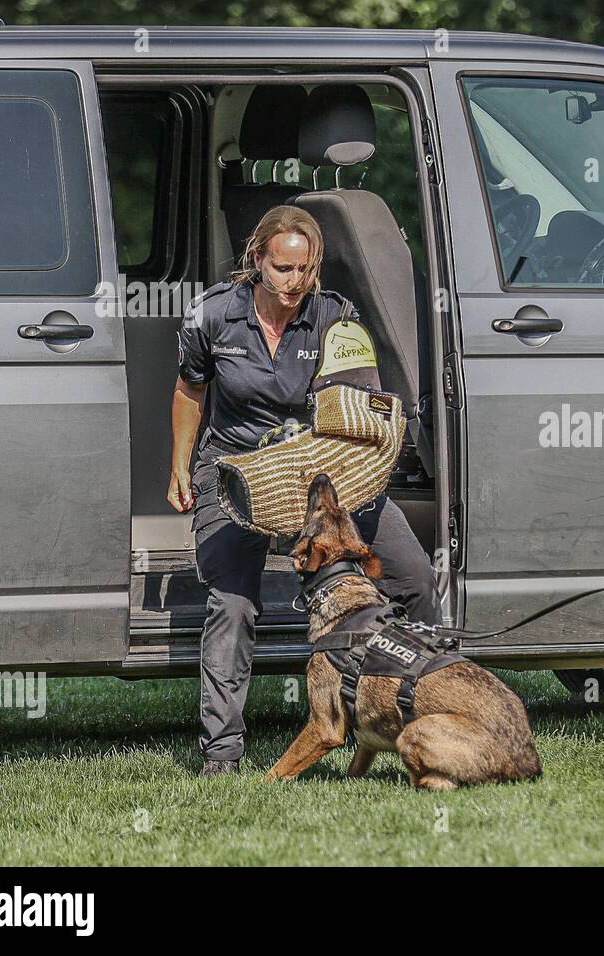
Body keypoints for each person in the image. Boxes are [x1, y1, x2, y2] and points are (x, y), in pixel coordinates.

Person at [168, 205, 438, 777]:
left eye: (308, 269)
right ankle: (222, 755)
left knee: (413, 574)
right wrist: (180, 466)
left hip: (316, 467)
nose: (296, 283)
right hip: (234, 467)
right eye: (285, 268)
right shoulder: (213, 314)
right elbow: (190, 390)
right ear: (257, 260)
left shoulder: (336, 317)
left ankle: (432, 704)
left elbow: (355, 410)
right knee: (232, 605)